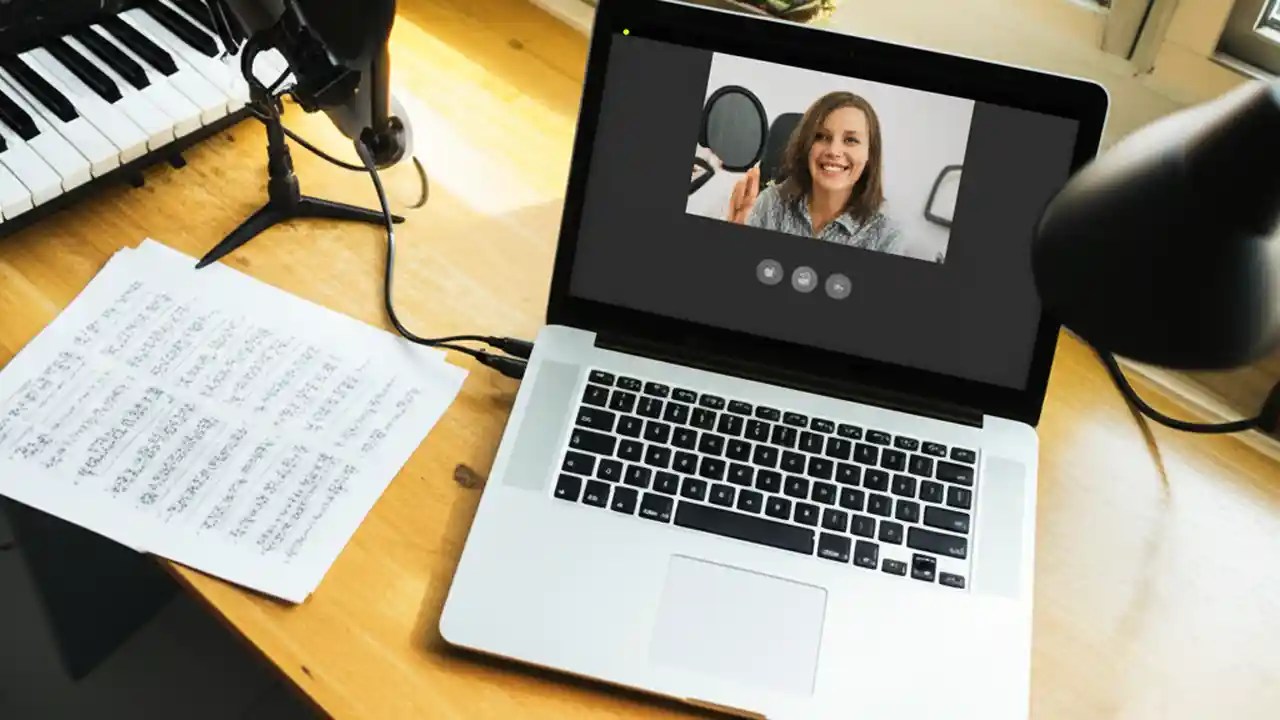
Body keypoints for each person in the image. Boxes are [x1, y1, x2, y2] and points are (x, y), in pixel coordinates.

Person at [727, 91, 902, 254]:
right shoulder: (771, 203)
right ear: (807, 145)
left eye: (850, 140)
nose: (834, 151)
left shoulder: (887, 237)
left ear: (870, 155)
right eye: (822, 136)